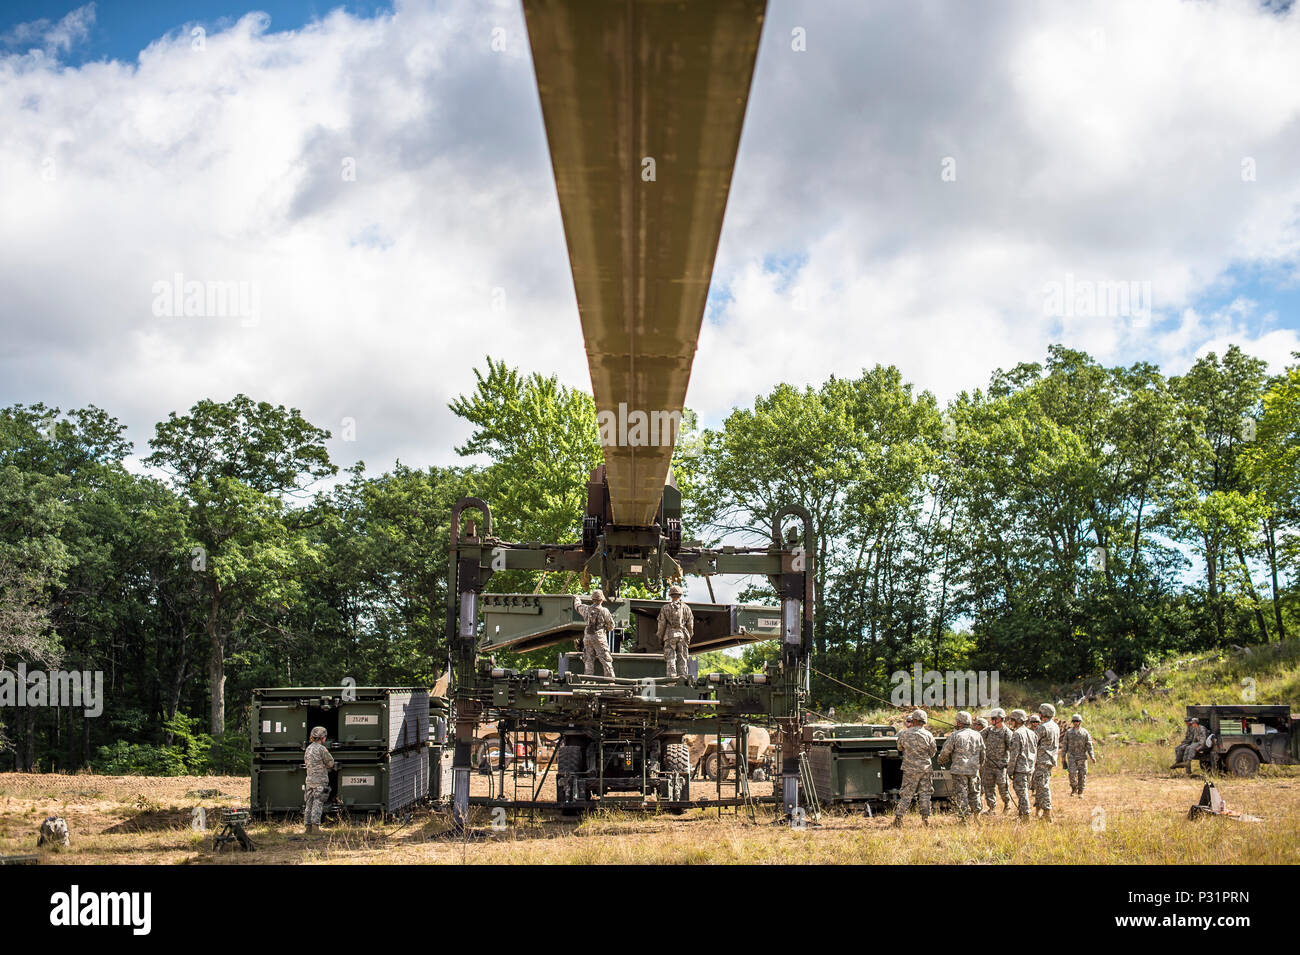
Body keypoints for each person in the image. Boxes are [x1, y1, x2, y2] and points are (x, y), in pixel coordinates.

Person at [937, 711, 985, 823]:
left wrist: (941, 761)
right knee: (974, 793)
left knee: (961, 794)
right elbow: (983, 753)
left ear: (959, 723)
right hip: (973, 770)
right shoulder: (977, 735)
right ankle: (976, 817)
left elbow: (945, 752)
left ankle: (964, 820)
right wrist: (979, 765)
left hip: (959, 771)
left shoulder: (955, 735)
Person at [893, 709, 937, 828]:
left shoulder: (904, 733)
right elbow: (933, 752)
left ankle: (899, 818)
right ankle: (925, 819)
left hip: (910, 769)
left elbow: (900, 747)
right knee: (925, 794)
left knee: (906, 794)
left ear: (914, 720)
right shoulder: (928, 735)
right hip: (925, 768)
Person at [573, 589, 616, 677]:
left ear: (592, 599)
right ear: (602, 600)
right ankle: (610, 680)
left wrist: (576, 598)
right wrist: (605, 629)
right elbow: (611, 626)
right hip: (599, 638)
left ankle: (588, 680)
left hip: (587, 637)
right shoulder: (604, 611)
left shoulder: (586, 609)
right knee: (605, 659)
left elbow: (577, 606)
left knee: (588, 659)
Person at [656, 584, 695, 679]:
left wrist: (660, 637)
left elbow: (661, 625)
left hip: (669, 636)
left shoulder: (665, 608)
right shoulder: (687, 608)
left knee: (671, 658)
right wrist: (689, 636)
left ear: (670, 595)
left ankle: (671, 678)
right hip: (683, 635)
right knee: (682, 658)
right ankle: (683, 678)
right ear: (680, 595)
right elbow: (690, 625)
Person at [1005, 709, 1037, 822]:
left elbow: (1014, 755)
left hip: (1020, 768)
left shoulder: (1017, 734)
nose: (1011, 722)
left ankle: (1025, 816)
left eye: (1012, 720)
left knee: (1022, 793)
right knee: (1024, 791)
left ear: (1017, 721)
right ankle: (1021, 814)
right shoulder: (1032, 733)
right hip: (1029, 768)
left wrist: (1010, 771)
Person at [980, 708, 1013, 813]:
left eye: (994, 718)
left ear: (1000, 719)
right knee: (989, 787)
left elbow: (1011, 749)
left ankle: (1007, 804)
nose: (992, 720)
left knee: (1003, 787)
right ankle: (991, 808)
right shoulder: (989, 730)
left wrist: (1009, 764)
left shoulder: (1007, 732)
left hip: (1000, 766)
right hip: (988, 765)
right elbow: (978, 736)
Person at [304, 726, 335, 835]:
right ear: (322, 738)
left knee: (308, 804)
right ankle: (315, 828)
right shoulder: (322, 749)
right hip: (320, 781)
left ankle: (307, 828)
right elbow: (331, 762)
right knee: (318, 803)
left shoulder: (308, 749)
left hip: (309, 781)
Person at [1031, 704, 1060, 822]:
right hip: (1050, 760)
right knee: (1040, 784)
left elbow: (1033, 741)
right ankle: (1038, 810)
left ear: (1043, 713)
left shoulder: (1042, 727)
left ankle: (1047, 812)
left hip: (1042, 760)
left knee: (1042, 786)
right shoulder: (1055, 726)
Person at [1063, 714, 1097, 796]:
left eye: (1077, 721)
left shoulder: (1085, 732)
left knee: (1082, 774)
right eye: (1074, 721)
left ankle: (1080, 791)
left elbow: (1089, 745)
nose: (1075, 723)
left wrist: (1092, 756)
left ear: (1080, 722)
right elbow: (1065, 745)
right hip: (1071, 756)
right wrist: (1063, 757)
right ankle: (1074, 788)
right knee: (1072, 773)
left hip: (1082, 756)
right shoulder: (1068, 732)